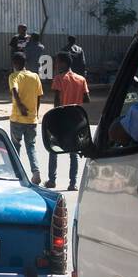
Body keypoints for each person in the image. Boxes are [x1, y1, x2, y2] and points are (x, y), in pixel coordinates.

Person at [48, 52, 89, 190]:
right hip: (76, 120)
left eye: (58, 62)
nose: (57, 64)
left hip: (61, 119)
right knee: (74, 153)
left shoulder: (59, 79)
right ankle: (73, 183)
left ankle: (52, 180)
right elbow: (86, 99)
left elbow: (56, 100)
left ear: (64, 63)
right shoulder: (81, 79)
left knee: (53, 149)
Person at [8, 51, 43, 184]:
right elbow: (39, 96)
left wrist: (21, 106)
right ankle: (36, 172)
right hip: (32, 119)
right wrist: (36, 113)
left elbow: (14, 90)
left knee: (16, 147)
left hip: (17, 119)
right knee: (31, 147)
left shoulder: (13, 76)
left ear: (15, 63)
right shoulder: (35, 76)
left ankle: (16, 173)